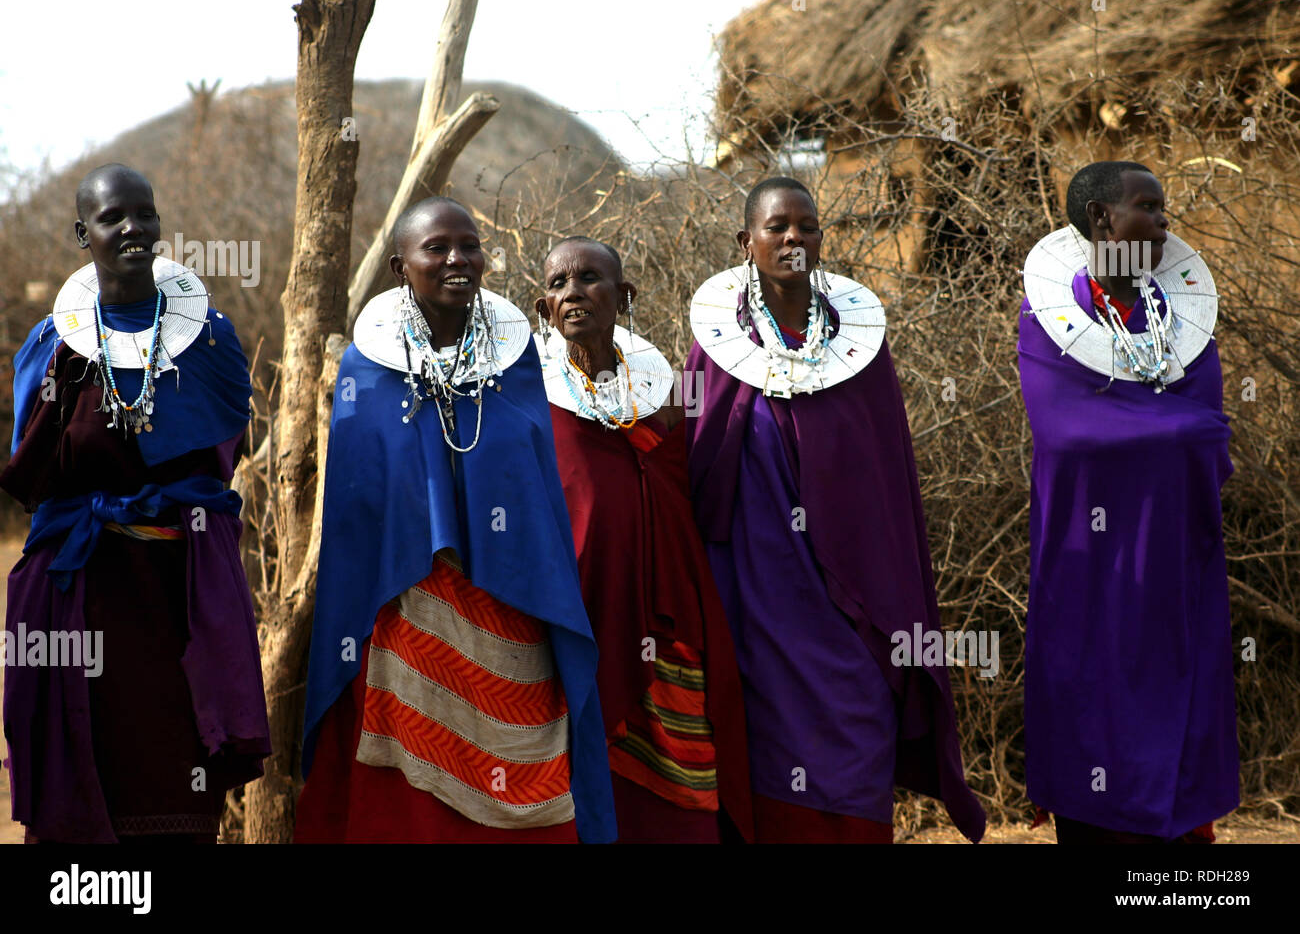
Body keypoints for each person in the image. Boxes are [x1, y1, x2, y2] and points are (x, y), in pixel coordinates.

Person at [296, 198, 615, 844]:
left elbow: (534, 491)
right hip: (409, 613)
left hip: (512, 610)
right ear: (398, 266)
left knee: (524, 770)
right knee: (414, 799)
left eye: (468, 246)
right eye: (436, 248)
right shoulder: (367, 369)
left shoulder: (518, 360)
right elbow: (360, 505)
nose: (456, 260)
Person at [683, 176, 985, 843]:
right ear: (747, 242)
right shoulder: (713, 353)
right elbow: (697, 475)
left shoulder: (863, 351)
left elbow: (890, 493)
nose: (793, 237)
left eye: (807, 226)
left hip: (851, 620)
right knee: (765, 769)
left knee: (853, 755)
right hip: (755, 617)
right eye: (777, 226)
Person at [1, 163, 270, 843]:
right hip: (80, 590)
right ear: (80, 231)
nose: (132, 228)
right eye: (112, 216)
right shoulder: (52, 345)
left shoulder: (208, 338)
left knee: (178, 753)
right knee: (84, 750)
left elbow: (222, 458)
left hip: (179, 593)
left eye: (143, 214)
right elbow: (33, 474)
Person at [1018, 161, 1237, 843]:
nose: (1164, 220)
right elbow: (1069, 430)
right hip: (1089, 564)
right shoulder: (1047, 321)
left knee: (1179, 714)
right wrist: (1175, 424)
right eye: (1148, 206)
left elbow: (1212, 438)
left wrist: (1155, 425)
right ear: (1102, 222)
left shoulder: (1184, 322)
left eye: (1164, 207)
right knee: (1093, 719)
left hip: (1172, 558)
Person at [533, 236, 753, 843]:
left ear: (624, 295)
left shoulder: (663, 400)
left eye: (590, 278)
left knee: (682, 788)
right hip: (580, 619)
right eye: (558, 284)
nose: (573, 292)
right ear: (542, 309)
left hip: (672, 621)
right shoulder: (528, 401)